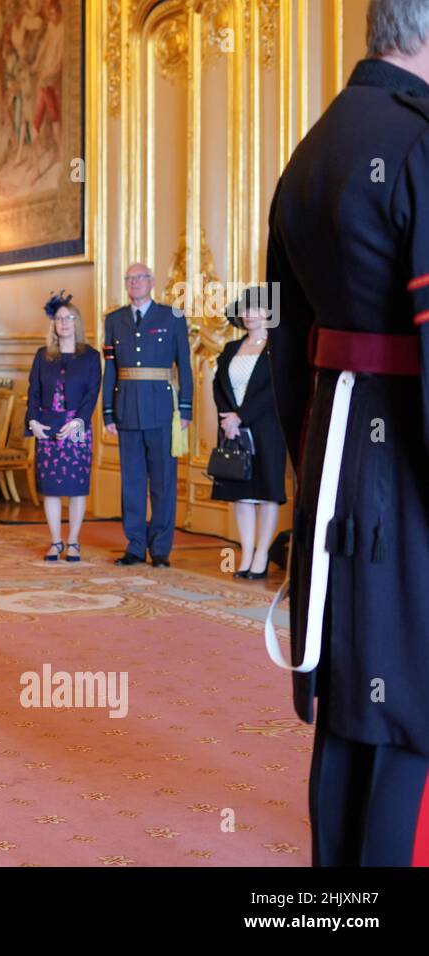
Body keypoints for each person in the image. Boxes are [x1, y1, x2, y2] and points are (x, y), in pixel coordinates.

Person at [266, 0, 429, 867]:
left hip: (333, 445)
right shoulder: (419, 141)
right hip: (408, 457)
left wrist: (307, 465)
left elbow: (287, 350)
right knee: (411, 710)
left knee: (351, 700)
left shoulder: (308, 151)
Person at [102, 262, 192, 567]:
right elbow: (111, 369)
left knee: (164, 482)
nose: (134, 283)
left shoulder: (172, 316)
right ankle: (136, 545)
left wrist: (186, 409)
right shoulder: (113, 320)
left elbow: (185, 366)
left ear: (152, 281)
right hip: (126, 409)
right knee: (132, 482)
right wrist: (108, 412)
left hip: (163, 410)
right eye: (129, 278)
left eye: (140, 277)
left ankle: (161, 549)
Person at [211, 286, 286, 579]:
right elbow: (218, 384)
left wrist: (242, 416)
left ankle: (262, 554)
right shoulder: (232, 348)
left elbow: (274, 391)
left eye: (255, 308)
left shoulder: (277, 349)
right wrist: (228, 419)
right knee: (241, 494)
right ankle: (246, 552)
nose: (249, 314)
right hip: (234, 431)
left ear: (268, 312)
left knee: (266, 492)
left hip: (267, 427)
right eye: (244, 309)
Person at [26, 292, 100, 562]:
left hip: (77, 428)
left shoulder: (90, 356)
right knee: (52, 487)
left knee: (77, 486)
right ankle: (56, 542)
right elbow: (33, 391)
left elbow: (92, 394)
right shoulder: (43, 355)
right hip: (47, 427)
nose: (64, 322)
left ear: (77, 322)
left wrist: (78, 421)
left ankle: (74, 542)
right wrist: (32, 420)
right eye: (59, 318)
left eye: (69, 318)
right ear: (53, 324)